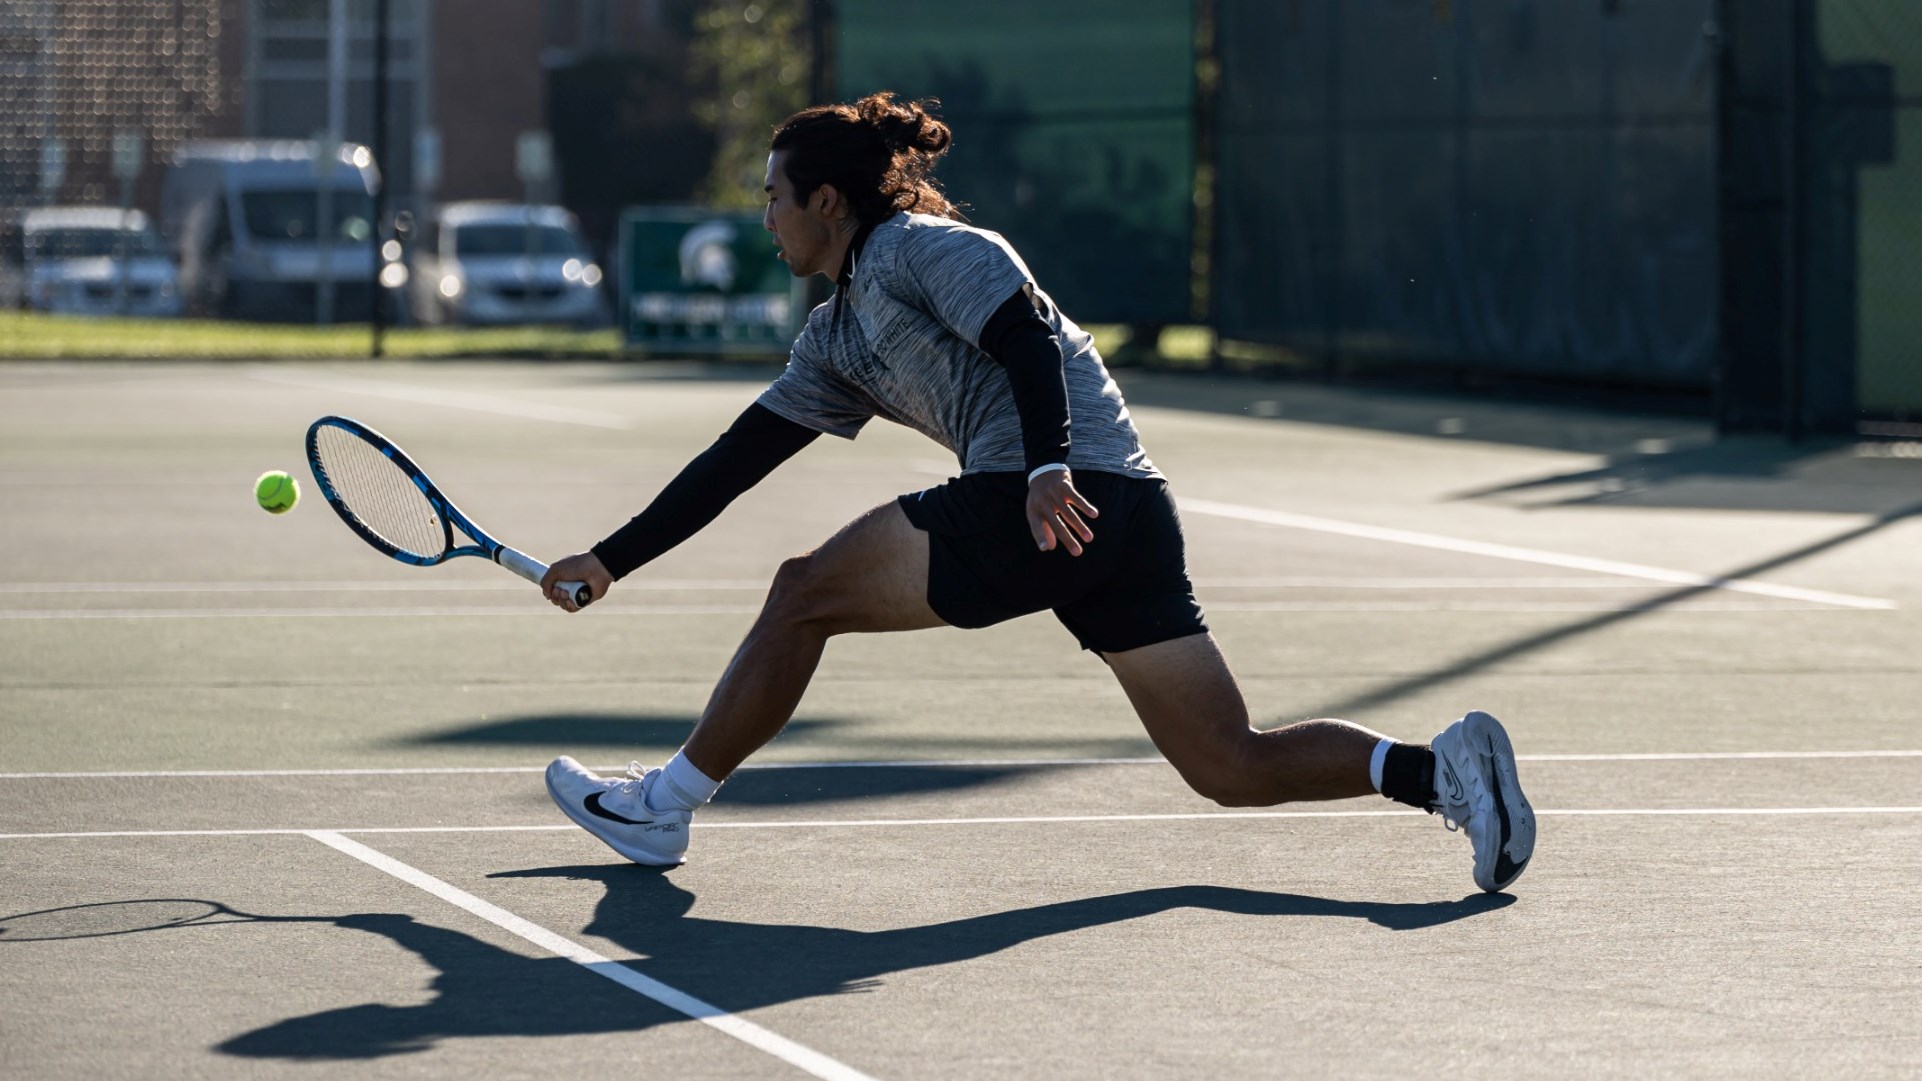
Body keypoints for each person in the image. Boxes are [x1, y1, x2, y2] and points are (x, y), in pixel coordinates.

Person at [539, 92, 1535, 893]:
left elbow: (1026, 338)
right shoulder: (834, 335)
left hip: (1049, 494)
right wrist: (611, 559)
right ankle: (1441, 769)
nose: (766, 218)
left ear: (827, 201)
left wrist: (1046, 465)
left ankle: (662, 805)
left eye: (774, 198)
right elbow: (738, 457)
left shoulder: (920, 249)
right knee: (1229, 765)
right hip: (1118, 516)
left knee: (803, 592)